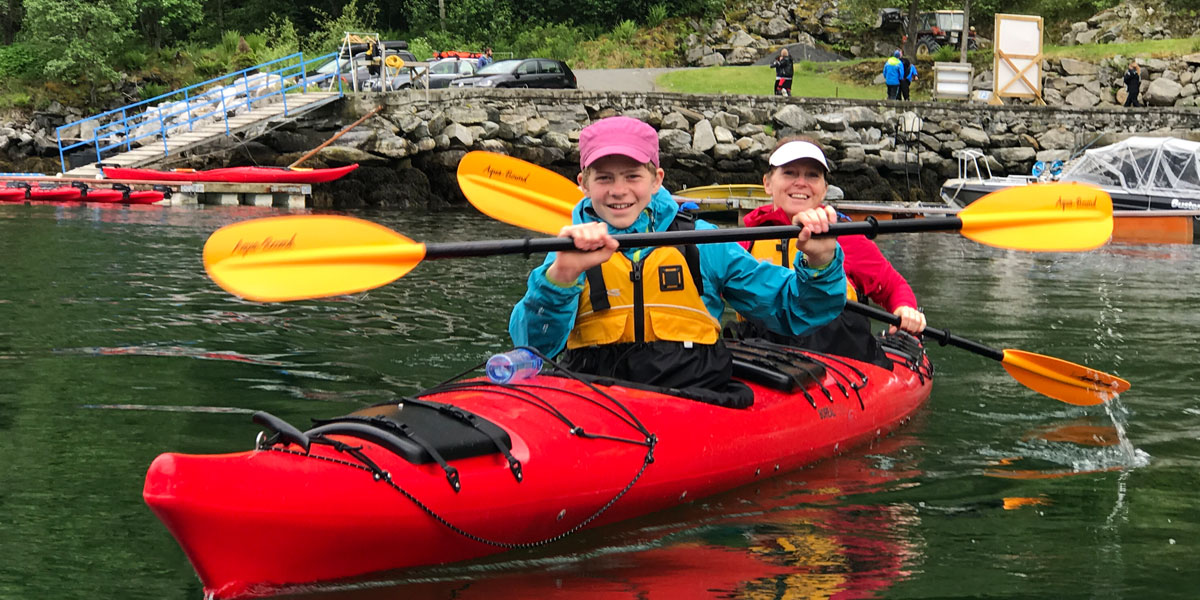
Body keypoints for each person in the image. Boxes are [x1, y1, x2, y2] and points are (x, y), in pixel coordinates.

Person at [508, 116, 847, 408]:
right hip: (597, 405)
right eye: (604, 178)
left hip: (696, 399)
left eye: (632, 176)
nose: (618, 190)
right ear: (583, 184)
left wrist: (820, 261)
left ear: (657, 179)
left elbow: (793, 310)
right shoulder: (568, 251)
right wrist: (561, 275)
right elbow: (534, 347)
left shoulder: (705, 242)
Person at [728, 136, 926, 368]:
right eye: (789, 173)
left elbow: (893, 287)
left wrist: (905, 309)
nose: (801, 183)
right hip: (760, 357)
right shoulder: (743, 242)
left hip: (839, 363)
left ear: (824, 189)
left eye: (812, 175)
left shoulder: (847, 237)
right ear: (768, 183)